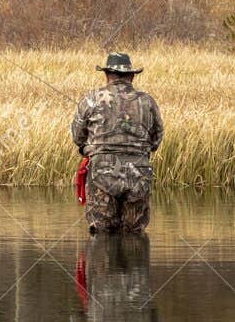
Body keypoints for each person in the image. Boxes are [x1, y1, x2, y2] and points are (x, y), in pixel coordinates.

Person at [69, 52, 164, 234]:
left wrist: (91, 148)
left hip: (102, 173)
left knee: (102, 235)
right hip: (139, 173)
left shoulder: (91, 99)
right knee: (134, 234)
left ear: (106, 75)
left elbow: (77, 137)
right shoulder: (147, 101)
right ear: (132, 75)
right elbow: (157, 137)